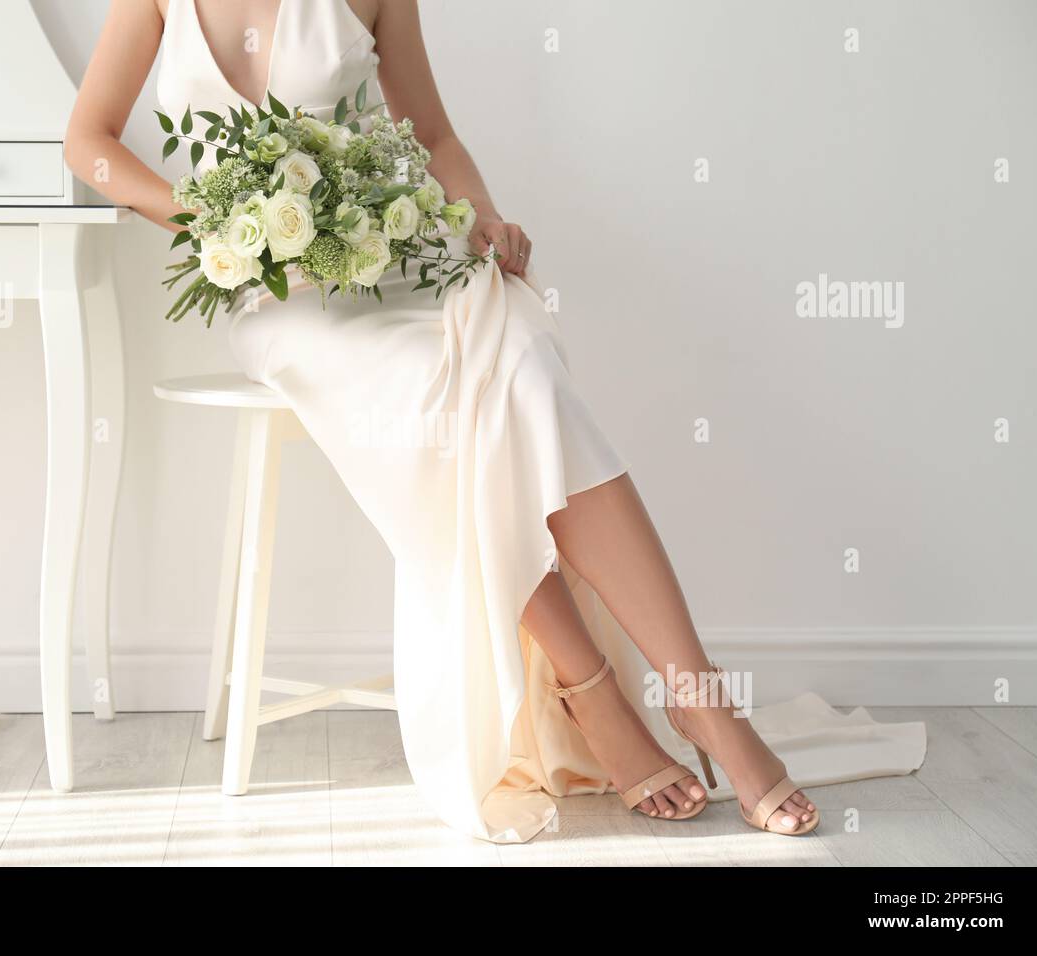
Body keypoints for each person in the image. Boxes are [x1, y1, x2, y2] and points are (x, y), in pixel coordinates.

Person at [65, 0, 925, 843]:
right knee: (439, 403)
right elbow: (88, 142)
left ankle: (702, 702)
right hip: (283, 300)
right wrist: (215, 221)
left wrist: (481, 215)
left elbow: (432, 135)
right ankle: (594, 695)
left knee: (523, 364)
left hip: (394, 261)